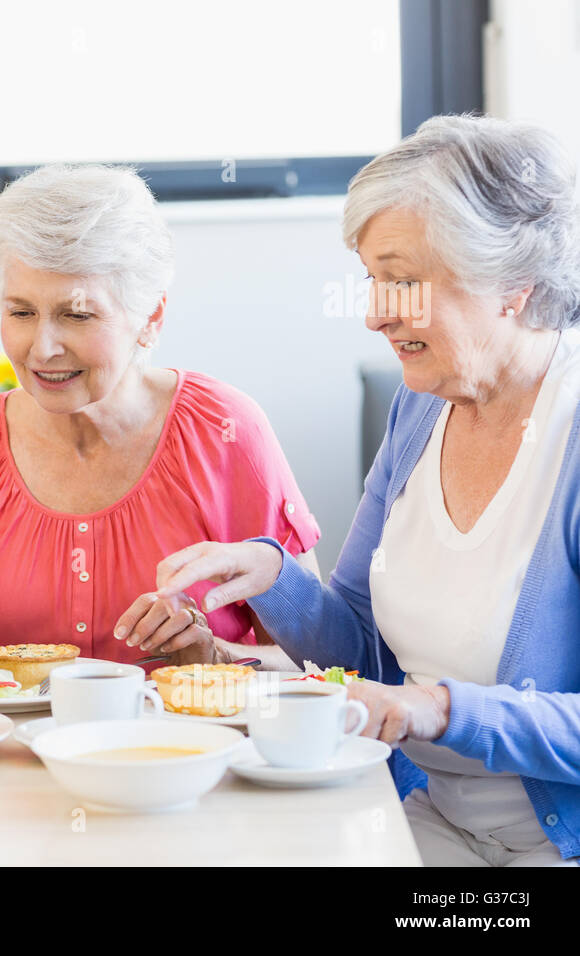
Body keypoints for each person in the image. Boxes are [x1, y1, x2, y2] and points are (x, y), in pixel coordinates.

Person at [155, 115, 580, 866]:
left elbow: (416, 700)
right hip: (429, 817)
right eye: (373, 281)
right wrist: (273, 577)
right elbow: (360, 647)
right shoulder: (422, 406)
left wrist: (437, 708)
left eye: (403, 281)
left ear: (512, 284)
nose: (376, 313)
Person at [0, 164, 320, 670]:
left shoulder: (226, 431)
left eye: (77, 315)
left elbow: (321, 663)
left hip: (199, 747)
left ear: (150, 318)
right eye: (21, 313)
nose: (42, 349)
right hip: (15, 751)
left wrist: (216, 657)